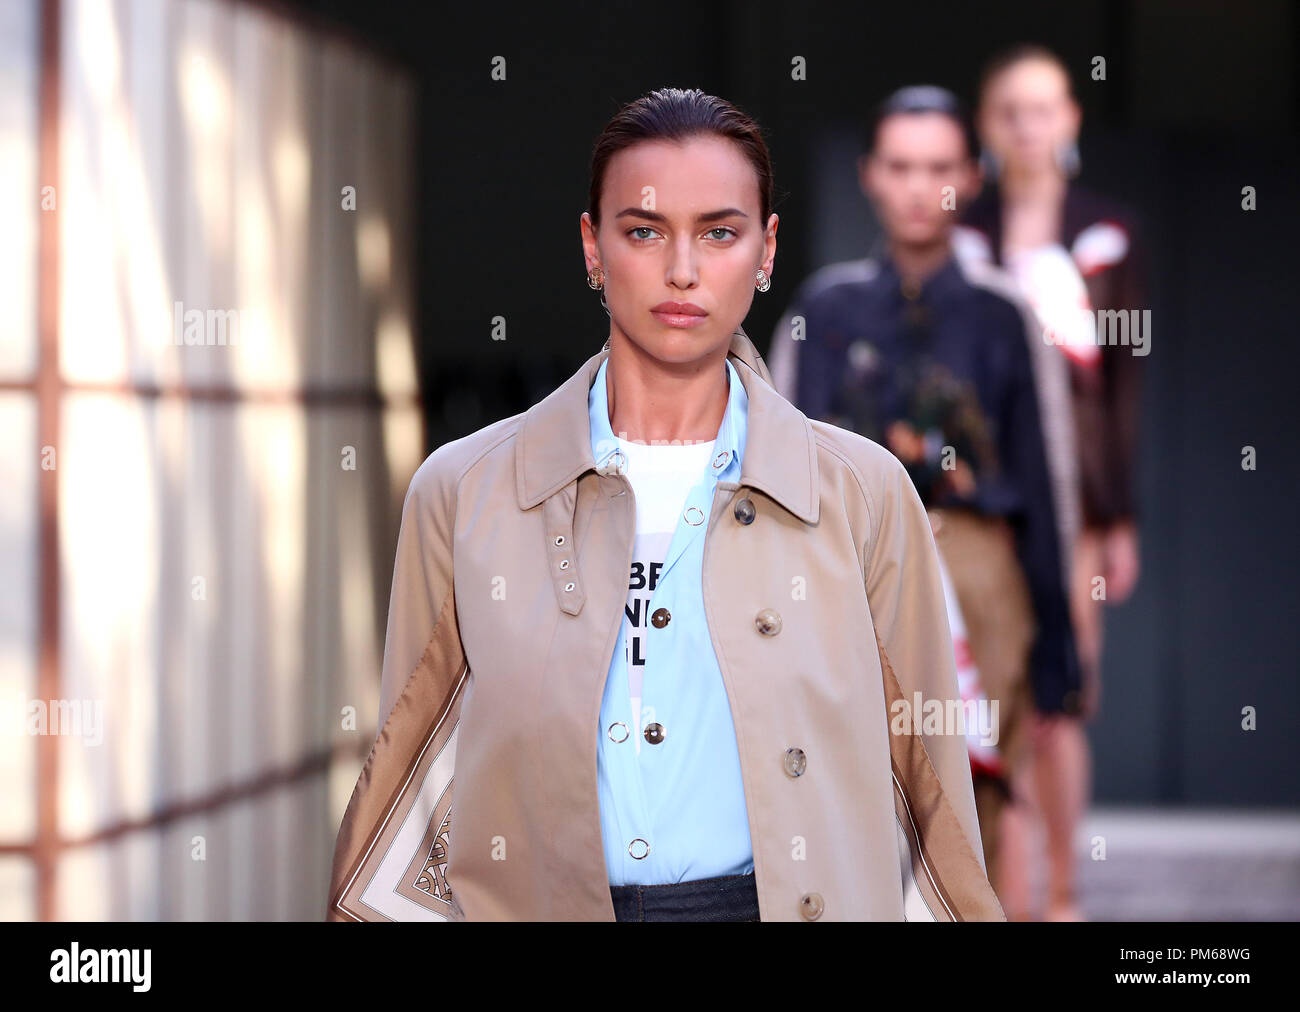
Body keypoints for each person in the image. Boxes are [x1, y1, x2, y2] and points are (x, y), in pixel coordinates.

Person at [327, 87, 1003, 922]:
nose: (682, 270)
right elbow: (416, 791)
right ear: (592, 246)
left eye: (720, 232)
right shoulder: (464, 491)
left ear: (766, 250)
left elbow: (927, 786)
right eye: (644, 231)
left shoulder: (859, 494)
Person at [767, 85, 1080, 889]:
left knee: (976, 799)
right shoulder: (821, 309)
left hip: (982, 574)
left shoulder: (1002, 314)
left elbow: (1044, 481)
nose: (920, 187)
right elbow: (771, 475)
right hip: (847, 569)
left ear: (972, 177)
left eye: (940, 167)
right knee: (845, 786)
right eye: (901, 166)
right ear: (870, 174)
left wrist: (1060, 653)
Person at [956, 44, 1147, 921]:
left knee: (1059, 702)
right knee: (985, 698)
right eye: (1011, 110)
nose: (1028, 125)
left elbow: (1122, 385)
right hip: (984, 501)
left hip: (1074, 509)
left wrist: (1118, 519)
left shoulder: (1106, 231)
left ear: (1071, 118)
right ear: (989, 126)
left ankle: (1064, 896)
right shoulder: (961, 231)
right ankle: (1006, 896)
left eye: (1046, 107)